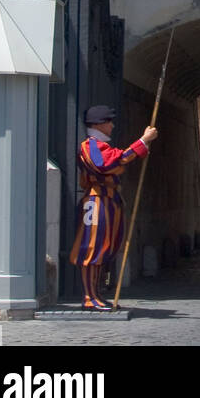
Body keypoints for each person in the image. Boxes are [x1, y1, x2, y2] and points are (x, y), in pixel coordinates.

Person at [69, 105, 158, 310]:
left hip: (108, 201)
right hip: (96, 201)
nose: (112, 125)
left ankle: (96, 293)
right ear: (99, 124)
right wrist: (143, 141)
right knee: (92, 248)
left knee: (104, 248)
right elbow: (109, 163)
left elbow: (117, 159)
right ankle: (89, 297)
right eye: (109, 121)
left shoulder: (101, 146)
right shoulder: (90, 146)